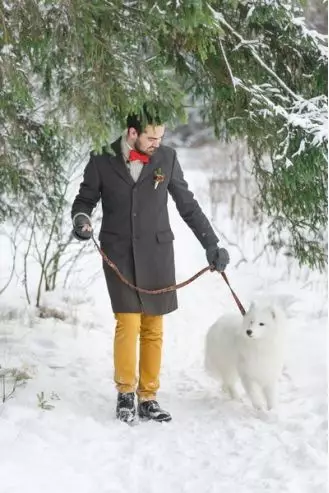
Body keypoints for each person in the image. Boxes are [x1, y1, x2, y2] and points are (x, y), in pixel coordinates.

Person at [70, 106, 229, 424]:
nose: (157, 142)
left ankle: (149, 397)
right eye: (151, 137)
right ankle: (125, 394)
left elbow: (188, 205)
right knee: (128, 322)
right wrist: (81, 219)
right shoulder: (101, 158)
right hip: (118, 252)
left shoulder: (166, 159)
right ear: (132, 134)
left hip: (157, 252)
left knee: (153, 325)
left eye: (161, 136)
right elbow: (84, 200)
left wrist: (211, 244)